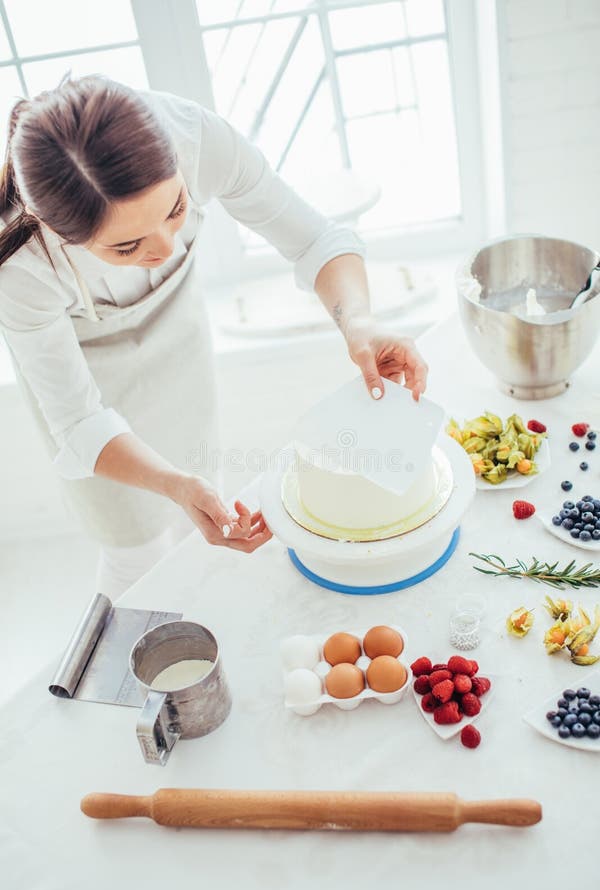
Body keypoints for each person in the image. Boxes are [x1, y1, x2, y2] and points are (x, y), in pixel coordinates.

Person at [0, 74, 428, 600]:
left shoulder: (193, 136)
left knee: (195, 501)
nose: (166, 245)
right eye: (128, 246)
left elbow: (315, 237)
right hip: (86, 379)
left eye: (176, 209)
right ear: (53, 229)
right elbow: (80, 423)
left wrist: (357, 321)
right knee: (132, 545)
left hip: (178, 336)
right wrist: (172, 483)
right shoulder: (20, 266)